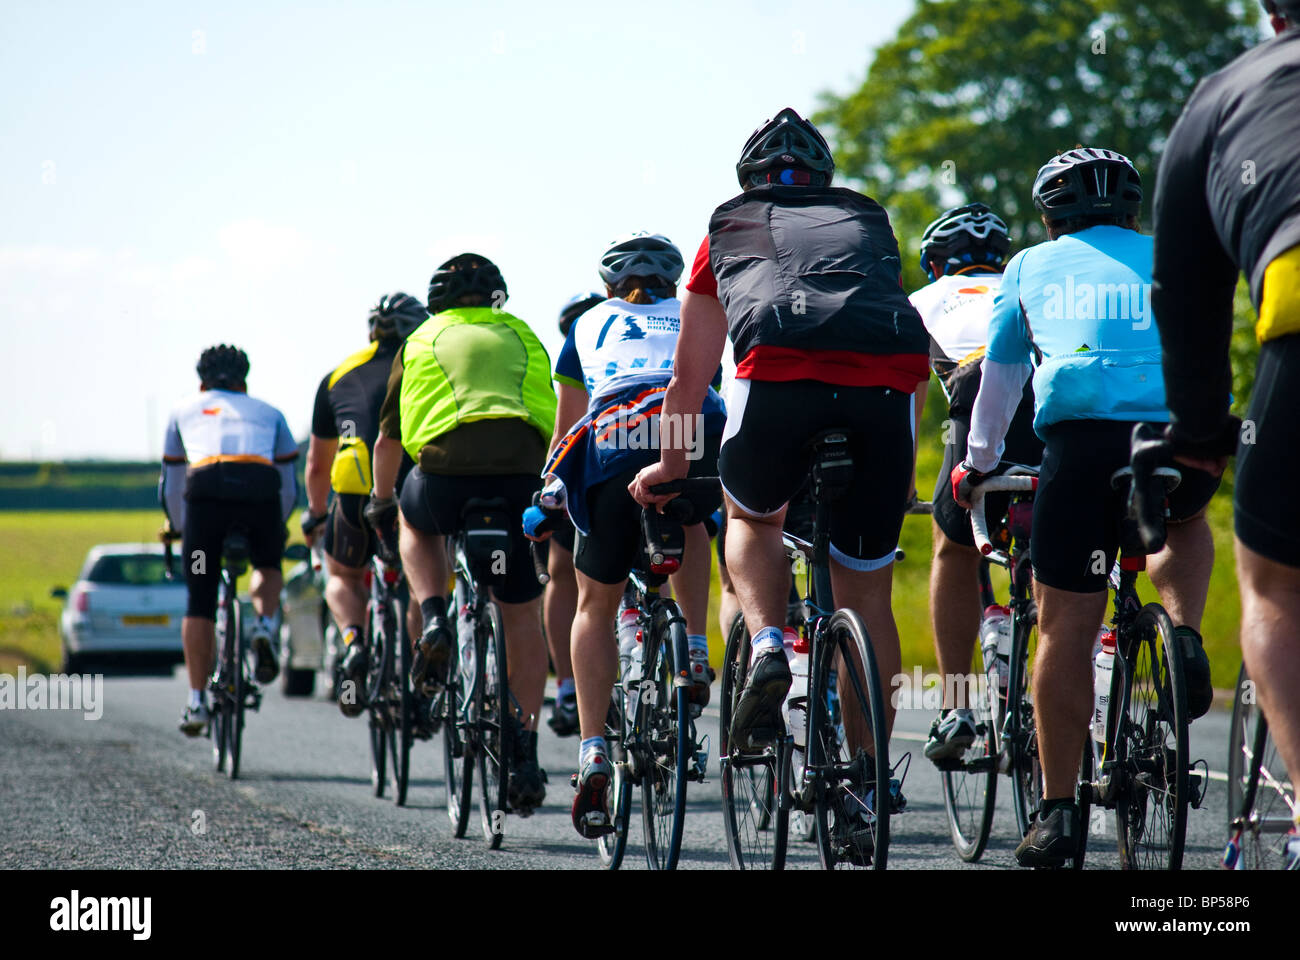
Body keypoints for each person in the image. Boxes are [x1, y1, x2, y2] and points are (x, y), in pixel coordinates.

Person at [631, 108, 931, 861]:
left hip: (779, 384)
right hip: (885, 397)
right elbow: (910, 349)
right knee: (866, 591)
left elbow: (687, 378)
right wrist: (903, 466)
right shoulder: (868, 222)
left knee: (754, 520)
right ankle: (865, 782)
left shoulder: (725, 231)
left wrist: (669, 467)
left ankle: (768, 643)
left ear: (749, 182)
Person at [952, 147, 1220, 867]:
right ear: (1132, 209)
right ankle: (1186, 634)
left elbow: (1000, 383)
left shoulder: (1028, 268)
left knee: (1065, 628)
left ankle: (1060, 812)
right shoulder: (1173, 252)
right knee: (1186, 519)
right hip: (1179, 435)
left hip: (1079, 446)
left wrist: (975, 468)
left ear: (1049, 215)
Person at [1151, 0, 1300, 866]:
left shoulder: (1224, 93)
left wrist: (1200, 429)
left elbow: (1188, 292)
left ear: (1273, 16)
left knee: (1275, 587)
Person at [532, 232, 724, 837]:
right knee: (691, 517)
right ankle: (693, 646)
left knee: (595, 602)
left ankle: (592, 748)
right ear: (675, 281)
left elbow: (569, 422)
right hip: (690, 427)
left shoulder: (586, 324)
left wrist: (549, 493)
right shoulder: (701, 311)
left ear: (608, 285)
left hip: (612, 440)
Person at [366, 254, 556, 813]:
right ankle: (524, 748)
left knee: (412, 520)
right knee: (521, 611)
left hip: (445, 478)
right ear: (497, 298)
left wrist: (380, 501)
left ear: (439, 304)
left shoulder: (420, 340)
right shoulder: (525, 335)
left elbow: (389, 441)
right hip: (522, 476)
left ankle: (432, 617)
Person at [908, 203, 1045, 761]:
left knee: (952, 548)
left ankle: (956, 705)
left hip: (974, 426)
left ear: (937, 264)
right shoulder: (1025, 286)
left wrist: (899, 484)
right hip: (1044, 419)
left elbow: (908, 405)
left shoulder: (919, 302)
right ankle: (1052, 691)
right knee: (1048, 558)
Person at [160, 345, 299, 735]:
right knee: (268, 565)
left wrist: (182, 527)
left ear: (201, 382)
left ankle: (197, 701)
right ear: (245, 382)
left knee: (200, 599)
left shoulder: (183, 409)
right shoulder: (270, 413)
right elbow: (288, 486)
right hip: (259, 492)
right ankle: (263, 626)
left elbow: (172, 486)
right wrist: (278, 524)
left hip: (206, 497)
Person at [301, 293, 425, 717]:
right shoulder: (426, 360)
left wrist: (317, 515)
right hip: (411, 484)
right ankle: (418, 675)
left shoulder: (337, 375)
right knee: (420, 581)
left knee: (342, 575)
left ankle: (354, 640)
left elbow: (318, 464)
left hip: (354, 489)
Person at [545, 291, 606, 737]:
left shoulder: (575, 347)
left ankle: (568, 685)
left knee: (563, 574)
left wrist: (543, 492)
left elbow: (562, 433)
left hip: (588, 476)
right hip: (658, 456)